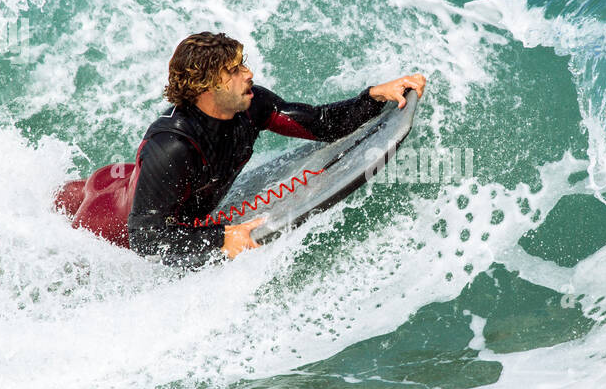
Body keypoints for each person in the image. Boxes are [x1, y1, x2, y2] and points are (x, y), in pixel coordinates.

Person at [54, 32, 425, 266]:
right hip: (105, 220)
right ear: (207, 85)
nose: (248, 73)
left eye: (242, 64)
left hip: (133, 181)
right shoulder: (172, 147)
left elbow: (321, 125)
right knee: (53, 220)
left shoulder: (252, 106)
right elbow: (146, 238)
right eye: (235, 69)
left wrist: (374, 96)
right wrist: (220, 238)